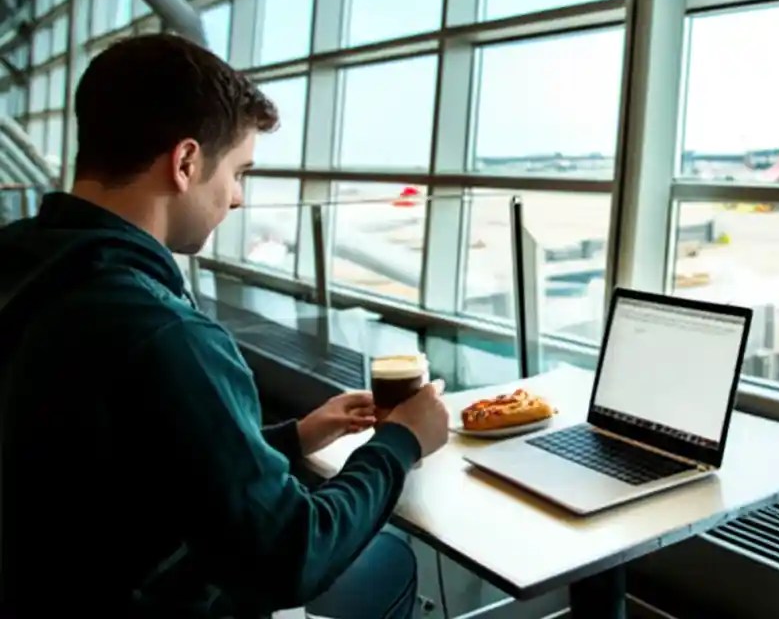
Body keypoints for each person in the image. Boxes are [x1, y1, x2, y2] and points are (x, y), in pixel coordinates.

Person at [0, 34, 450, 618]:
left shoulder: (25, 268)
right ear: (186, 163)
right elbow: (294, 558)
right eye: (239, 172)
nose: (237, 198)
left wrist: (290, 439)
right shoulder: (161, 330)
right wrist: (402, 442)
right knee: (389, 557)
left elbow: (123, 462)